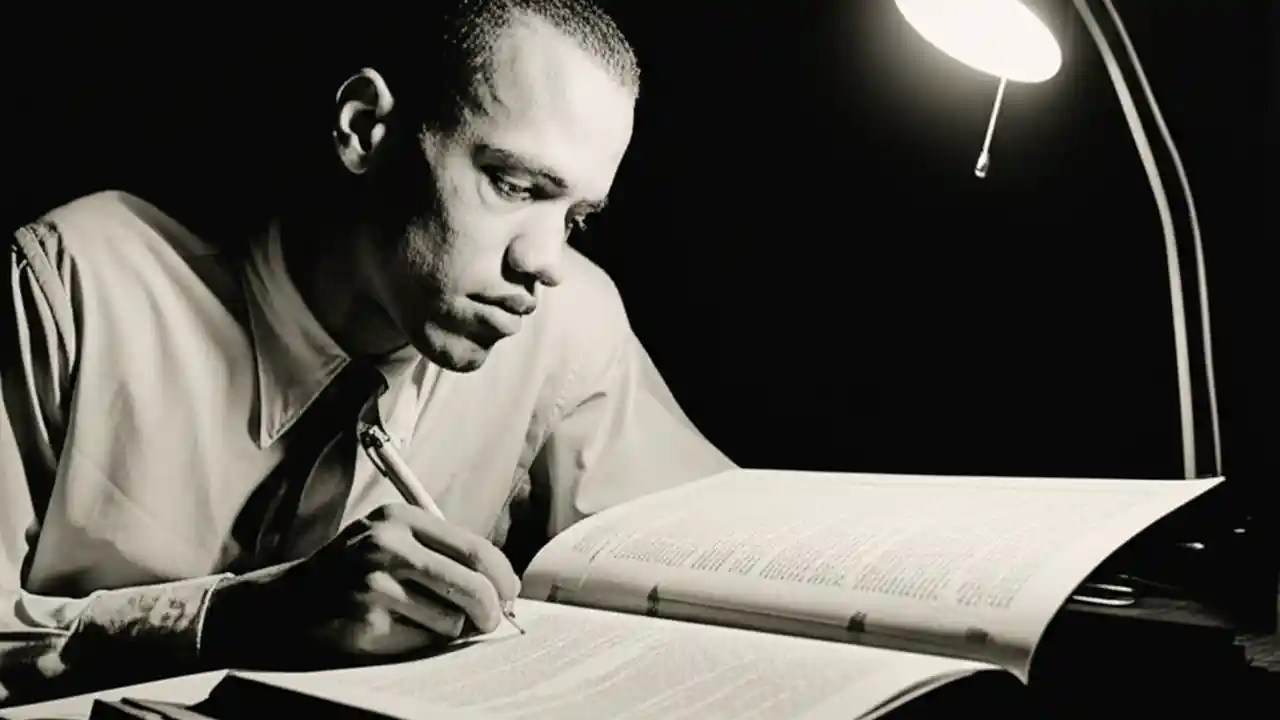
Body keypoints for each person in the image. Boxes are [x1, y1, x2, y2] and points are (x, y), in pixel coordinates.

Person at [0, 0, 734, 706]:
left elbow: (729, 565)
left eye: (575, 218)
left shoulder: (567, 327)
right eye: (513, 186)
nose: (545, 261)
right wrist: (240, 618)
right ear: (364, 128)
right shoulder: (74, 284)